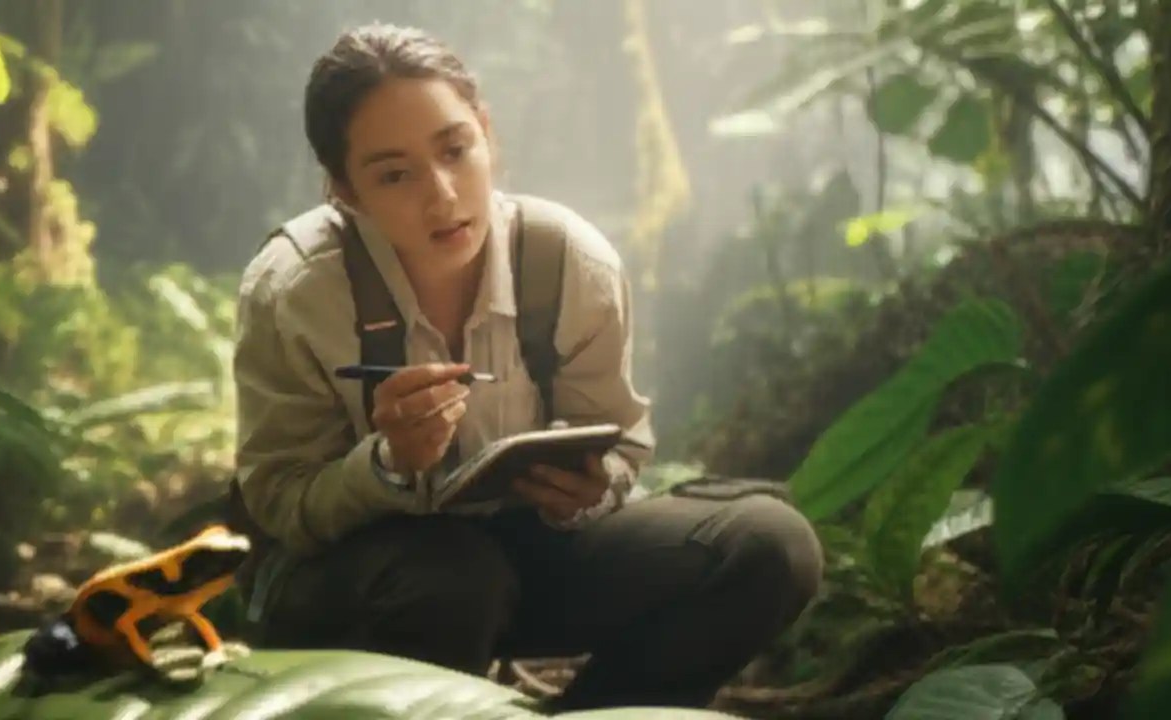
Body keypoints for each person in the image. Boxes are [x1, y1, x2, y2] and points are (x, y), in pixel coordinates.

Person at [230, 21, 823, 712]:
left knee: (770, 546)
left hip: (519, 559)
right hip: (344, 583)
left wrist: (590, 490)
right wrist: (388, 465)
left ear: (487, 132)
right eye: (395, 174)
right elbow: (281, 503)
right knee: (452, 578)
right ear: (344, 191)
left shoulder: (567, 262)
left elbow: (621, 443)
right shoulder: (297, 290)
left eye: (456, 150)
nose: (443, 195)